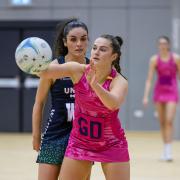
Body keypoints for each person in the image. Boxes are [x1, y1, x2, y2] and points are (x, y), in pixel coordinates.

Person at [39, 34, 130, 180]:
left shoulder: (119, 81)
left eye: (103, 49)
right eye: (94, 48)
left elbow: (112, 104)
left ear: (113, 56)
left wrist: (94, 85)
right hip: (80, 143)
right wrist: (33, 60)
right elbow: (45, 72)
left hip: (111, 143)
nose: (96, 52)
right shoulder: (78, 70)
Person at [32, 18, 90, 180]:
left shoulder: (92, 68)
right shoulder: (54, 67)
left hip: (83, 136)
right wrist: (36, 135)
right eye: (73, 39)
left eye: (83, 39)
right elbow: (39, 102)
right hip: (55, 134)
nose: (79, 43)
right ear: (65, 42)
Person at [142, 36, 180, 161]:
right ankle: (165, 149)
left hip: (172, 92)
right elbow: (149, 79)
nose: (162, 45)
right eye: (160, 43)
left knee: (169, 121)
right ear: (158, 45)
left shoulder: (176, 58)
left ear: (168, 45)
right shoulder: (154, 60)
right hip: (159, 92)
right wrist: (146, 96)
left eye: (165, 43)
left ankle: (169, 151)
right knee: (162, 122)